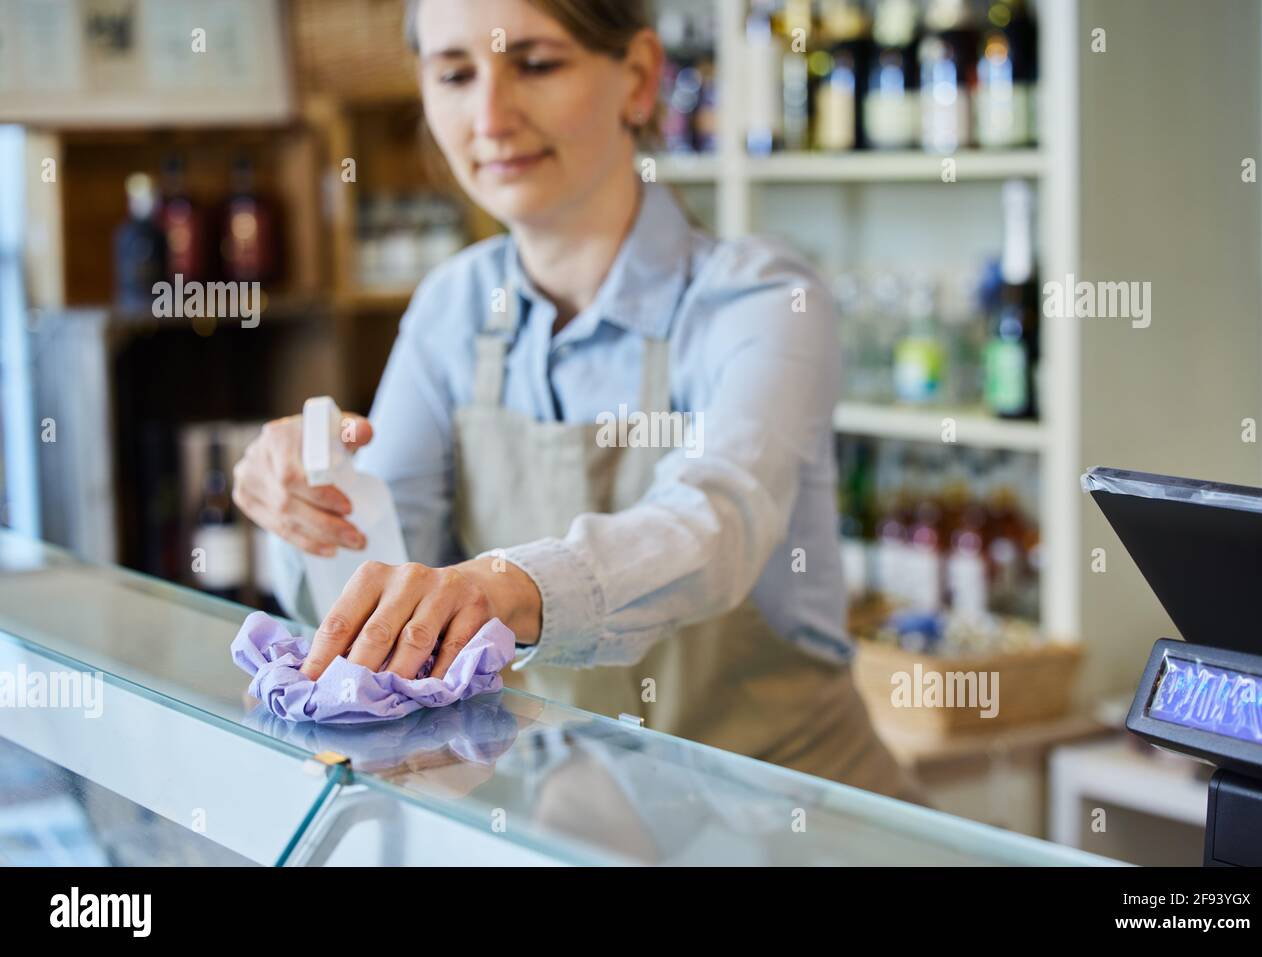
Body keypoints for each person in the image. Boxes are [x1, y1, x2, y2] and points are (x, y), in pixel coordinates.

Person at [233, 0, 920, 802]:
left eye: (535, 64)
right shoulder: (452, 308)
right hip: (565, 819)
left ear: (637, 79)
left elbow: (717, 519)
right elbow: (380, 584)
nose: (490, 116)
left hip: (787, 819)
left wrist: (501, 585)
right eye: (455, 74)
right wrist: (315, 503)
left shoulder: (763, 296)